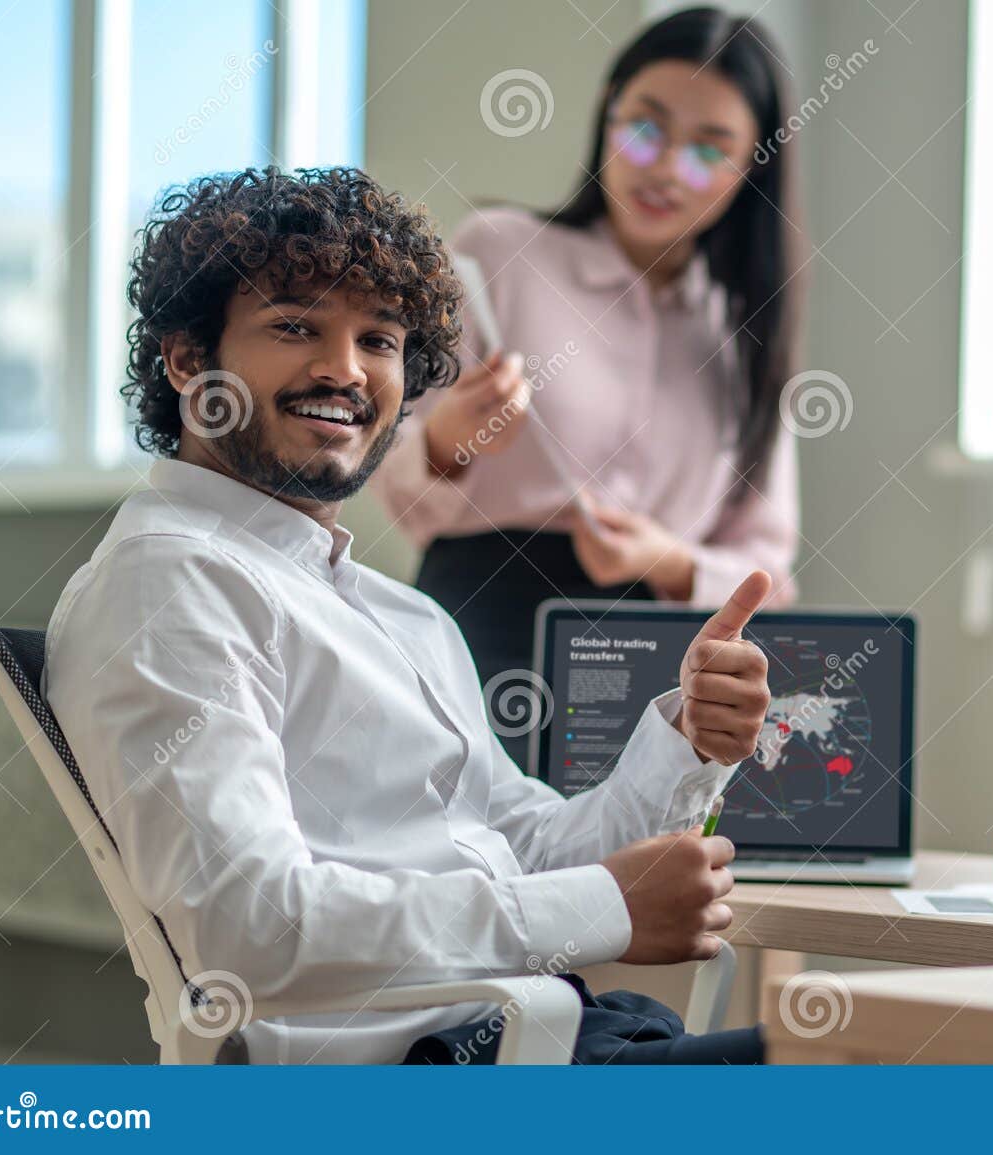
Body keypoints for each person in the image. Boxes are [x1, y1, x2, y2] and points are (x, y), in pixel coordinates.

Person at [44, 167, 774, 1064]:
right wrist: (604, 908)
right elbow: (249, 928)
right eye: (294, 326)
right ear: (189, 358)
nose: (345, 370)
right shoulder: (170, 580)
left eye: (379, 339)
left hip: (558, 1037)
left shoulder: (405, 615)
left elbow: (536, 847)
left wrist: (692, 738)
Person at [375, 6, 803, 704]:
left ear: (752, 169)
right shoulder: (498, 252)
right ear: (607, 115)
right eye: (644, 128)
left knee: (652, 819)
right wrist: (451, 439)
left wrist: (666, 560)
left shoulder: (744, 333)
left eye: (707, 150)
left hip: (662, 663)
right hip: (479, 627)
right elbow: (392, 473)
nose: (664, 168)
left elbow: (770, 573)